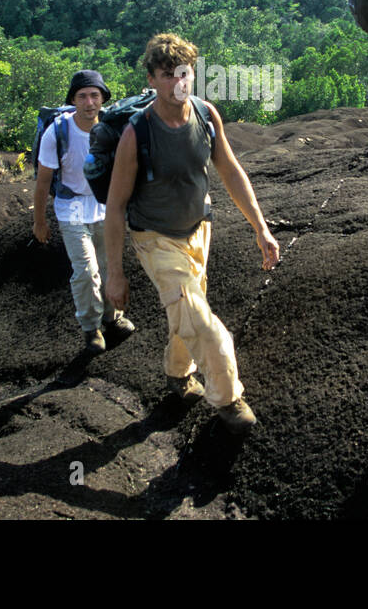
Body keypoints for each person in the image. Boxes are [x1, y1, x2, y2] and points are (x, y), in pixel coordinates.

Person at [104, 34, 280, 435]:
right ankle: (228, 400)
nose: (179, 83)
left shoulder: (205, 115)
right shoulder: (138, 133)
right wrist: (115, 272)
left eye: (185, 73)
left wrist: (261, 228)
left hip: (199, 231)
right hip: (155, 239)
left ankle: (177, 373)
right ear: (151, 80)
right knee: (203, 322)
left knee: (186, 310)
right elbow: (115, 207)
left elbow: (232, 172)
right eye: (168, 75)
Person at [34, 70, 135, 355]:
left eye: (95, 95)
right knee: (86, 271)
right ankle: (91, 329)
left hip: (106, 206)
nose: (89, 102)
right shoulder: (58, 132)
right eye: (82, 96)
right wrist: (39, 221)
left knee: (108, 267)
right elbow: (43, 181)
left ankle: (112, 318)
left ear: (103, 98)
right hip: (72, 208)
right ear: (73, 100)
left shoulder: (113, 128)